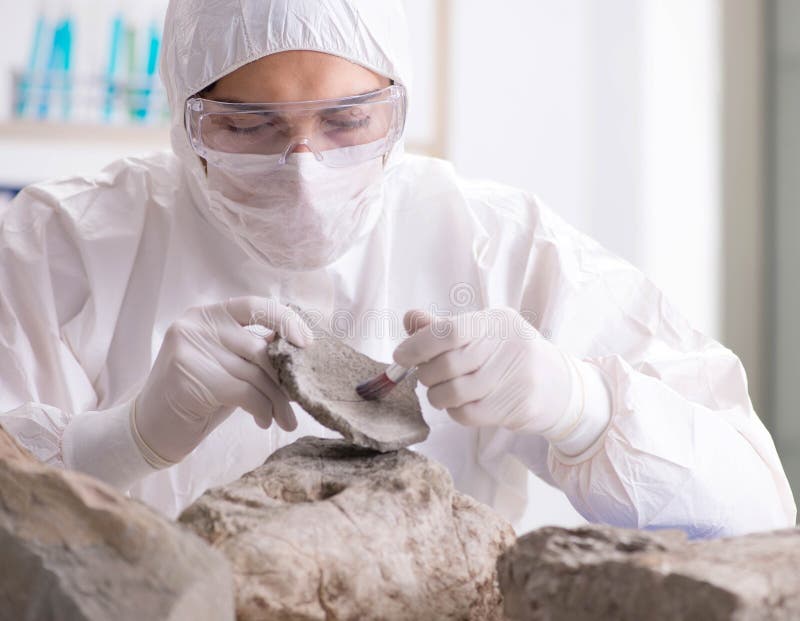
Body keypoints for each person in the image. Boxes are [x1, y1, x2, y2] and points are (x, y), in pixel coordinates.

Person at [0, 0, 794, 538]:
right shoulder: (62, 244)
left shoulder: (494, 244)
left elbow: (757, 509)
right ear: (184, 116)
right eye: (246, 125)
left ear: (396, 107)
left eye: (348, 120)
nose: (304, 170)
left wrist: (575, 402)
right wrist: (121, 439)